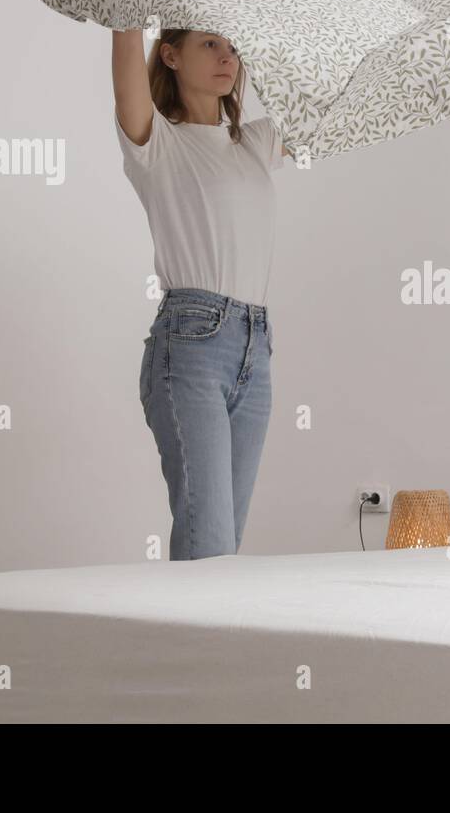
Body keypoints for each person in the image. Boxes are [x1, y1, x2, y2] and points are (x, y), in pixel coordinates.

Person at [111, 27, 291, 560]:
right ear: (170, 55)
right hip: (191, 343)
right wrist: (127, 11)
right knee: (207, 545)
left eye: (234, 48)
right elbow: (126, 82)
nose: (226, 57)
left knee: (225, 549)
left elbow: (329, 112)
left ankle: (203, 643)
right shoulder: (157, 140)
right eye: (209, 45)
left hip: (255, 349)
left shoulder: (254, 142)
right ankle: (183, 644)